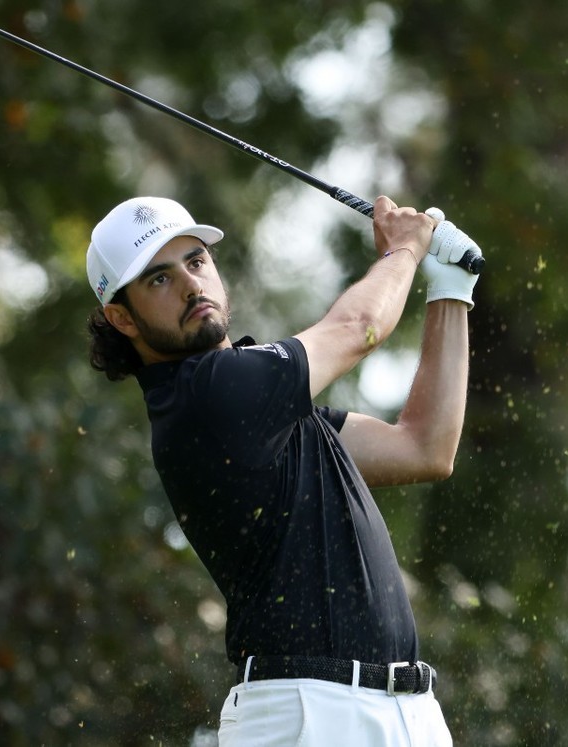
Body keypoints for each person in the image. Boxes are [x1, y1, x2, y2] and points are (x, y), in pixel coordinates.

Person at [85, 194, 480, 746]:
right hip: (310, 713)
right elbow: (360, 326)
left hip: (402, 711)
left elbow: (425, 448)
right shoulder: (210, 395)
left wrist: (451, 290)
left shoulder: (262, 410)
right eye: (158, 280)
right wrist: (406, 250)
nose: (191, 286)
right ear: (121, 317)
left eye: (195, 262)